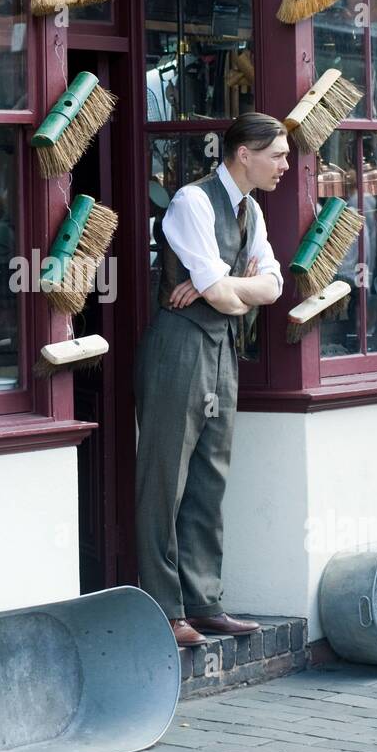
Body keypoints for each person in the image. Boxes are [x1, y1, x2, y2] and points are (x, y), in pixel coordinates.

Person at [134, 112, 289, 647]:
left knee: (209, 478)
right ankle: (164, 606)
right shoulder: (192, 202)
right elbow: (233, 294)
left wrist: (214, 286)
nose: (285, 166)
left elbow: (274, 287)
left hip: (221, 346)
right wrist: (222, 286)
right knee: (164, 479)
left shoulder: (253, 211)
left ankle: (204, 603)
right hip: (178, 347)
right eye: (278, 155)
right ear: (245, 152)